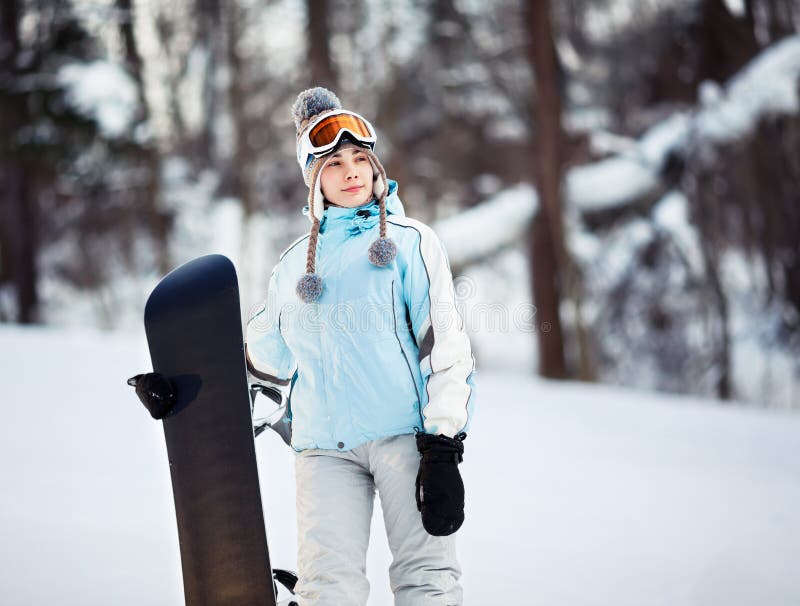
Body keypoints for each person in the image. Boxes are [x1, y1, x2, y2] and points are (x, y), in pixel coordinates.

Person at [130, 87, 476, 606]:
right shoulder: (293, 266)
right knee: (326, 591)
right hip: (323, 450)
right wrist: (185, 385)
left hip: (407, 440)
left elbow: (443, 345)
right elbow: (261, 361)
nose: (352, 170)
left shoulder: (410, 242)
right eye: (334, 162)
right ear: (313, 177)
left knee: (426, 577)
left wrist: (444, 443)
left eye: (361, 158)